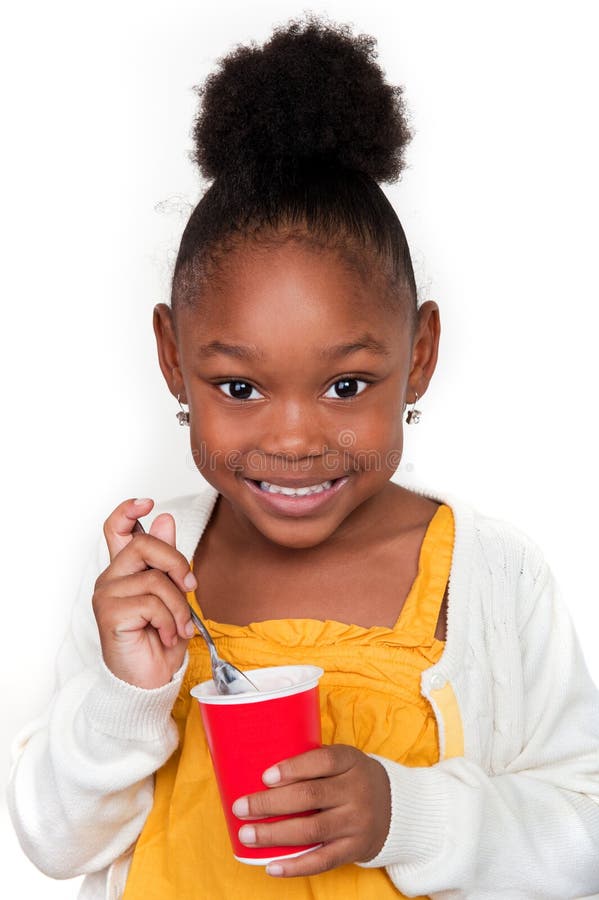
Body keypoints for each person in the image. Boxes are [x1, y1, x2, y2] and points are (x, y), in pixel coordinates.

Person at [7, 13, 599, 900]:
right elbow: (53, 843)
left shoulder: (492, 580)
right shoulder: (153, 585)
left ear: (419, 355)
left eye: (347, 385)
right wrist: (126, 692)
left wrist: (407, 813)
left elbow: (581, 836)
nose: (291, 440)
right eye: (239, 389)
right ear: (174, 360)